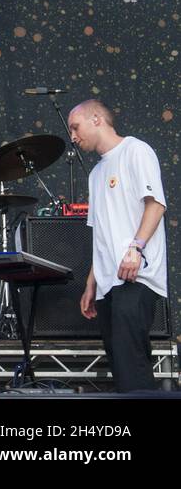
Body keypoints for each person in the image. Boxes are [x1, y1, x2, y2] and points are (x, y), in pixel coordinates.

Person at [73, 99, 167, 392]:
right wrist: (91, 282)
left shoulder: (135, 150)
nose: (73, 137)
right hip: (108, 283)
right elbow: (101, 235)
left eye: (76, 127)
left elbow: (156, 205)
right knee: (120, 363)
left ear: (96, 119)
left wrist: (136, 248)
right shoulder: (96, 174)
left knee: (132, 363)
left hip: (136, 277)